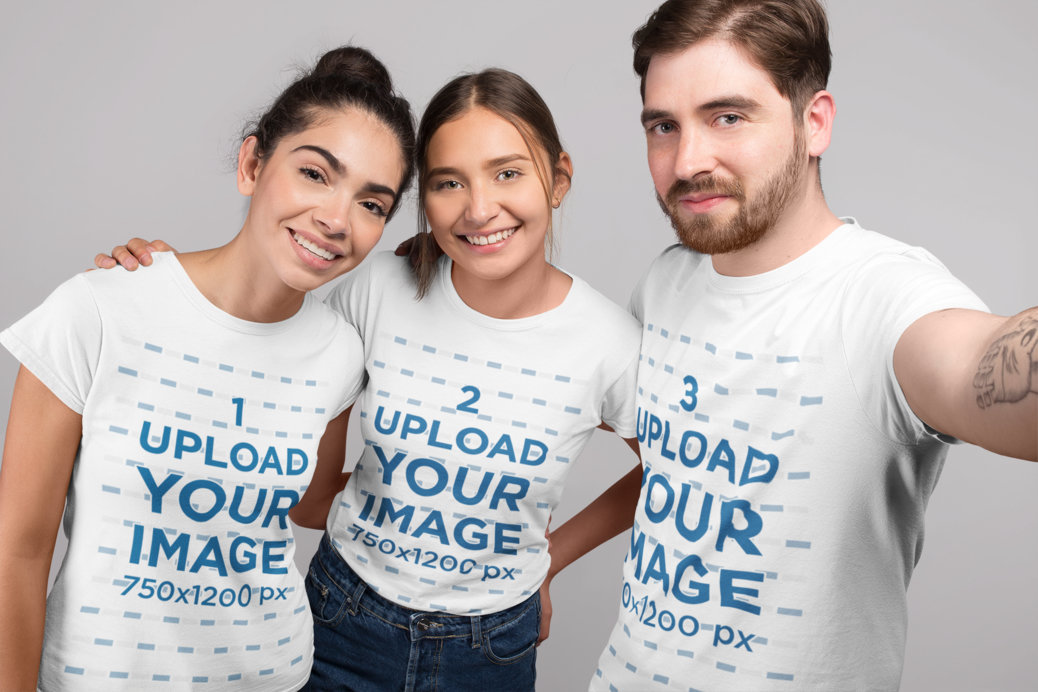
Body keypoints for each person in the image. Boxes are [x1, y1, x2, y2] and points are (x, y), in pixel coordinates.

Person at [95, 69, 644, 691]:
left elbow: (672, 471)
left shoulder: (606, 342)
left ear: (559, 179)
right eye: (447, 183)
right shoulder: (377, 291)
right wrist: (166, 286)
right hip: (342, 620)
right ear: (424, 199)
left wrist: (553, 559)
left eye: (508, 172)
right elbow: (267, 353)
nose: (480, 207)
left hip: (489, 651)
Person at [588, 1, 1038, 690]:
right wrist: (548, 558)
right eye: (663, 126)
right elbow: (676, 469)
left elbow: (981, 364)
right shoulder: (666, 283)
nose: (687, 161)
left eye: (727, 116)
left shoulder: (883, 296)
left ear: (814, 121)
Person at [0, 46, 415, 691]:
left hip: (271, 675)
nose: (336, 219)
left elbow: (307, 506)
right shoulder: (101, 310)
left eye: (372, 204)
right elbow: (18, 552)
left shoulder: (340, 353)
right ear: (253, 164)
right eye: (314, 173)